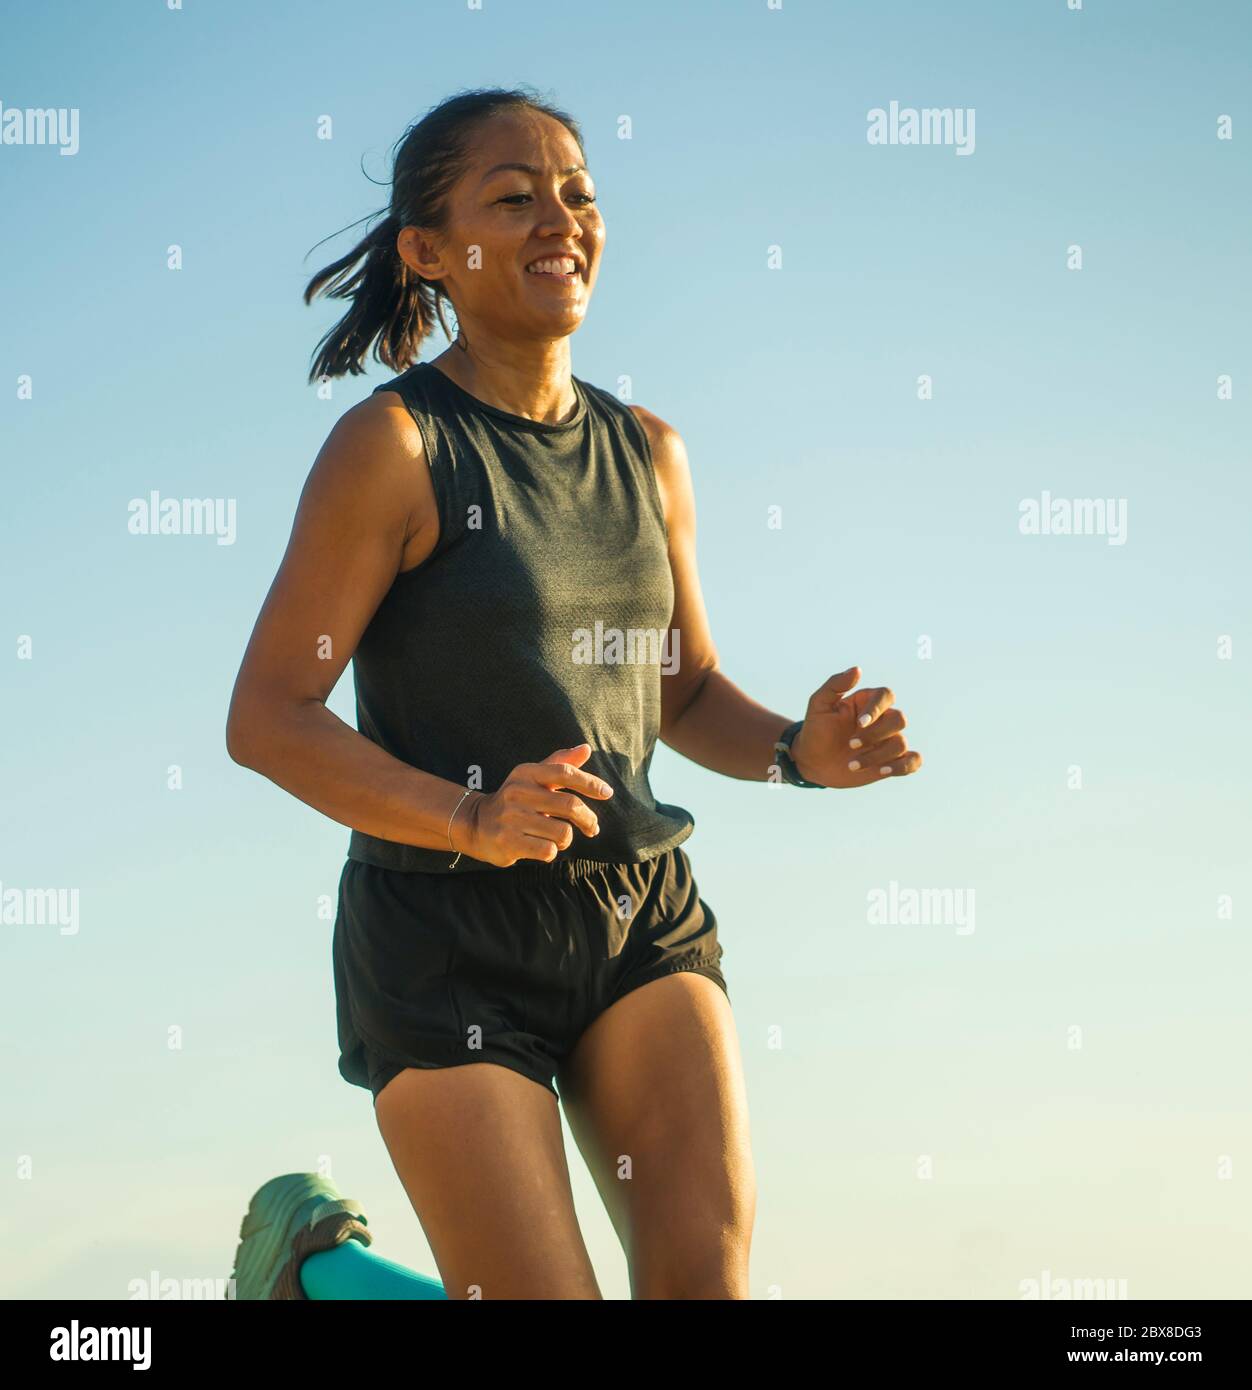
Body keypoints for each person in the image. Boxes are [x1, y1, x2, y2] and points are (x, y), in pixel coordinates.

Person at [224, 86, 922, 1302]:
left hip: (635, 907)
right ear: (429, 253)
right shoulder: (393, 448)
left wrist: (796, 753)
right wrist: (469, 816)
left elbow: (679, 686)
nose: (560, 218)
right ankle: (320, 1276)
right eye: (515, 197)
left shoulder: (648, 449)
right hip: (446, 934)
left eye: (578, 193)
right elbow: (268, 717)